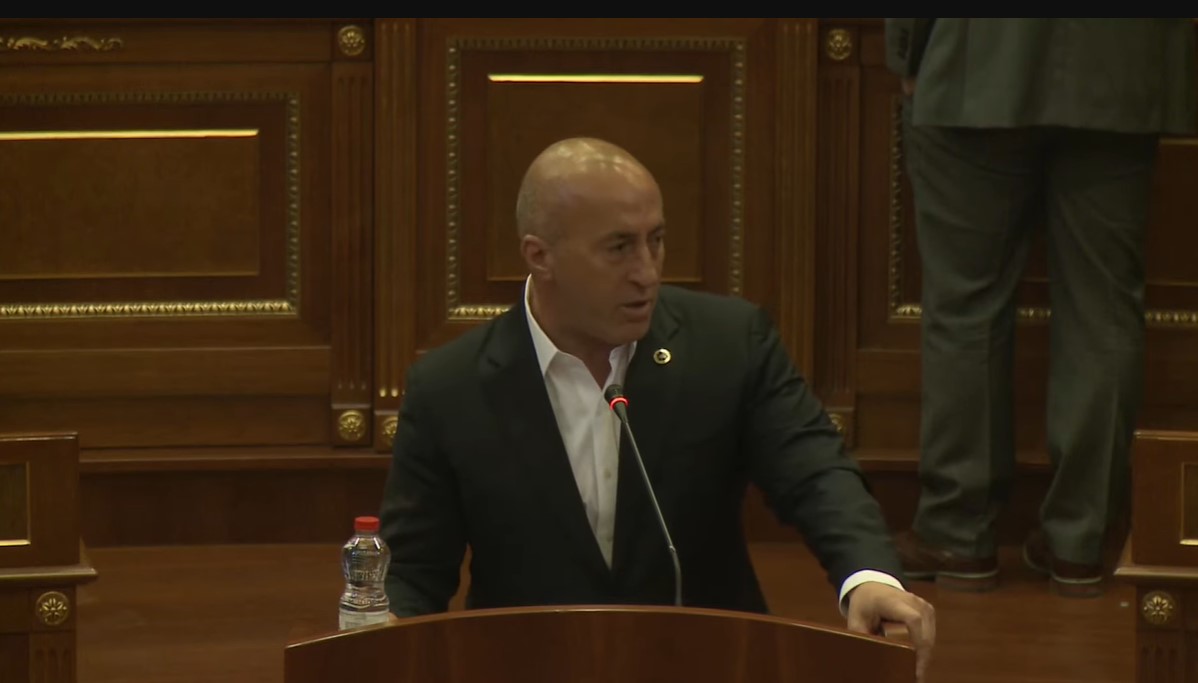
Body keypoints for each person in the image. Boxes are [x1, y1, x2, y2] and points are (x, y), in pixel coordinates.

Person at [378, 136, 935, 678]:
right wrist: (379, 635)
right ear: (539, 256)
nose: (647, 272)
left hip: (709, 665)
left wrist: (868, 577)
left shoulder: (729, 344)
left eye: (657, 240)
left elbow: (815, 474)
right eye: (619, 247)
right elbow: (413, 573)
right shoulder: (452, 388)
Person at [885, 18, 1197, 596]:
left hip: (973, 57)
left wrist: (907, 50)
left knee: (966, 306)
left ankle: (957, 532)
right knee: (1104, 310)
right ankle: (1082, 540)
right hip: (1124, 66)